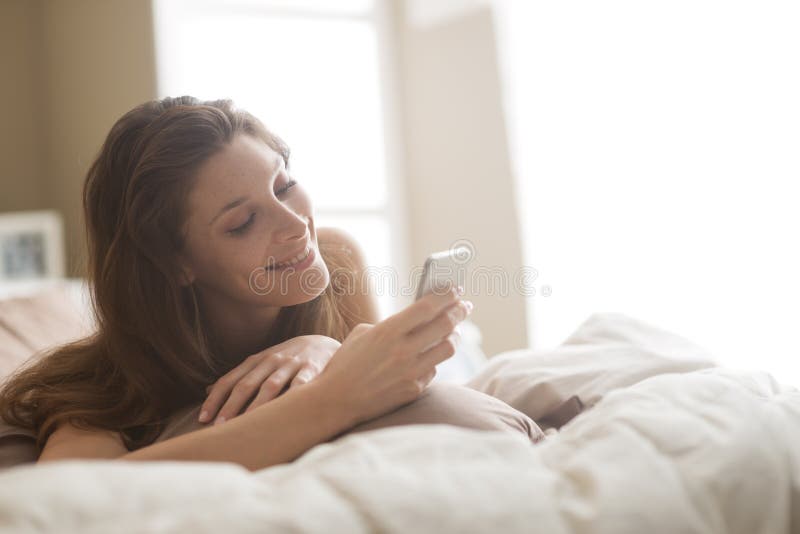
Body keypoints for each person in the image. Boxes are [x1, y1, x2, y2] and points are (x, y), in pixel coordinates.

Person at [0, 96, 474, 472]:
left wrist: (326, 347)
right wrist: (333, 398)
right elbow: (74, 494)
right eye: (243, 222)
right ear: (174, 264)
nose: (295, 225)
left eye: (284, 186)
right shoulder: (102, 387)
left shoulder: (336, 258)